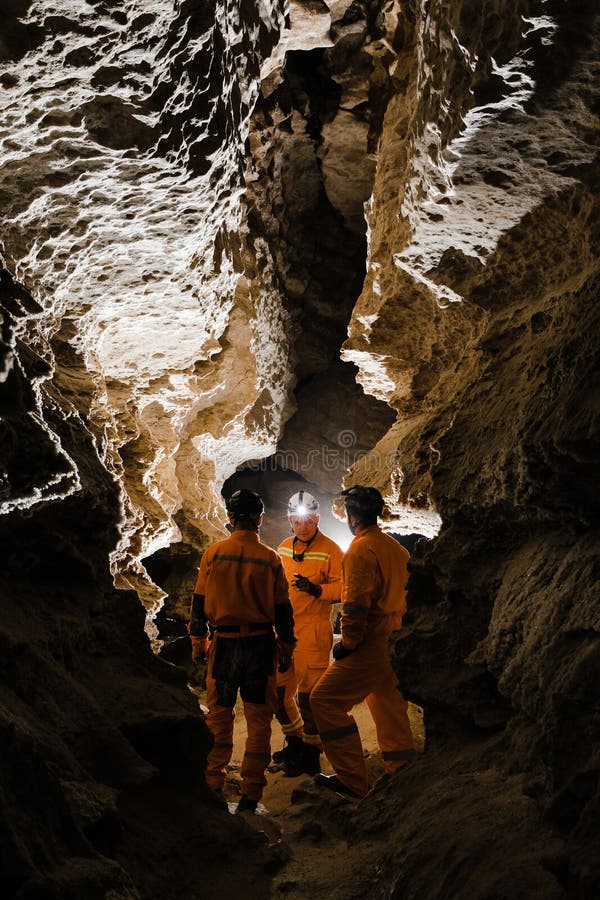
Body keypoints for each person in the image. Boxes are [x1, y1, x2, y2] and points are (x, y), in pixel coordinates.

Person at [188, 488, 296, 813]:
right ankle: (251, 794)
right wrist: (286, 648)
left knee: (219, 717)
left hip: (224, 646)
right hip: (260, 647)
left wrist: (198, 645)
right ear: (259, 518)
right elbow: (283, 611)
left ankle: (212, 784)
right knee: (259, 721)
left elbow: (199, 605)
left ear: (230, 518)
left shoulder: (213, 553)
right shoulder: (270, 558)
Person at [310, 486, 415, 799]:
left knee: (324, 701)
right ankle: (403, 778)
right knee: (388, 704)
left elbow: (355, 604)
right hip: (396, 636)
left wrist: (350, 643)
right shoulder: (397, 550)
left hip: (372, 638)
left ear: (352, 516)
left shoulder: (360, 549)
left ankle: (352, 781)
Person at [272, 490, 343, 776]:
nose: (303, 526)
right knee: (278, 694)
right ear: (290, 520)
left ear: (317, 518)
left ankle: (312, 752)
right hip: (285, 632)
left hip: (313, 632)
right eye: (298, 521)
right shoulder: (284, 547)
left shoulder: (331, 550)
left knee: (310, 699)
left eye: (309, 520)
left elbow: (344, 588)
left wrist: (317, 590)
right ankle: (296, 741)